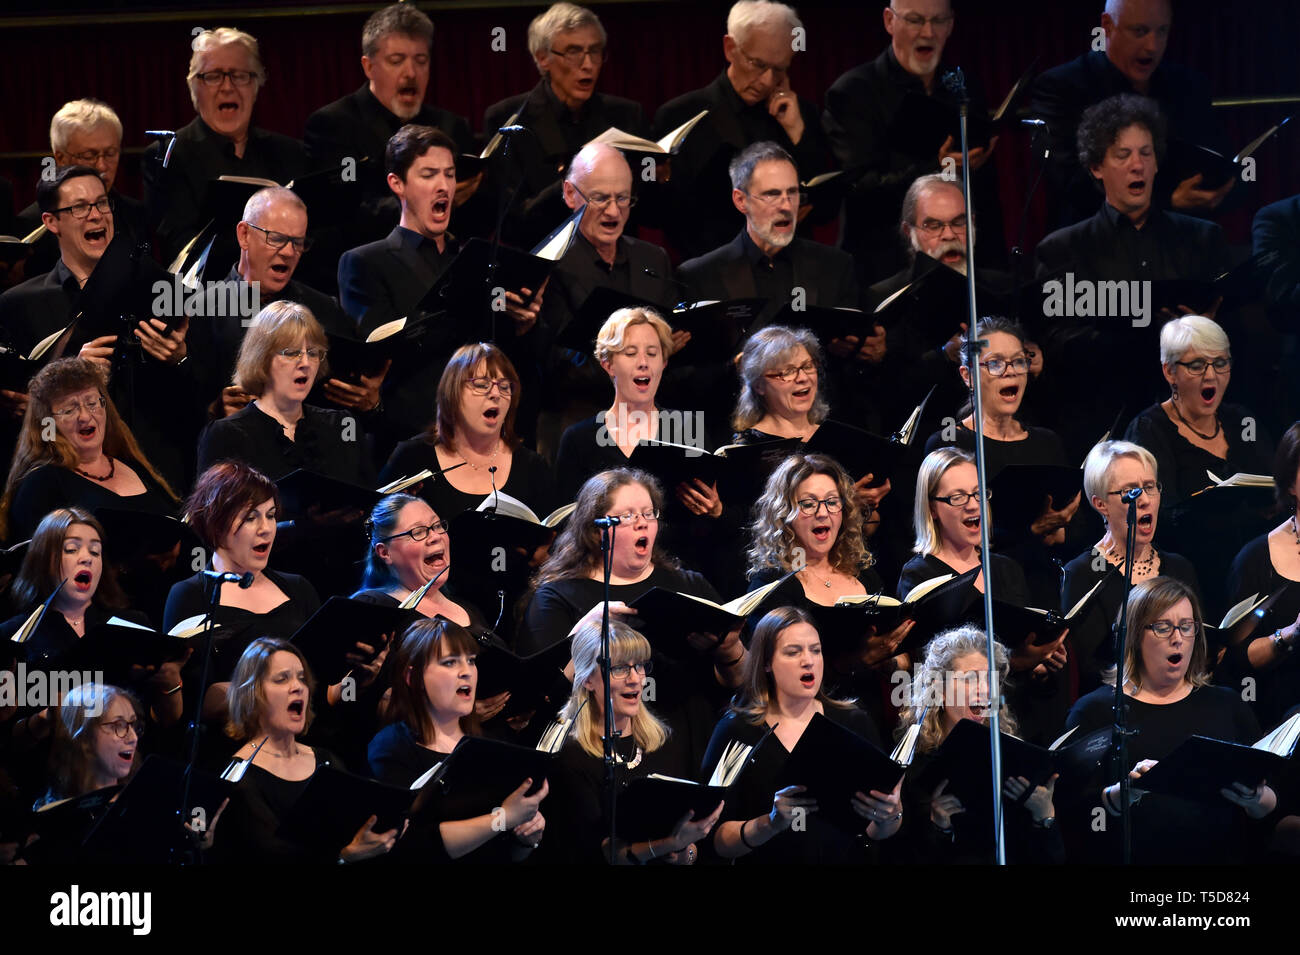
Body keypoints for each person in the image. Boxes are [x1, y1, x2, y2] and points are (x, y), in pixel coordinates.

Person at [337, 125, 542, 450]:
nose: (443, 186)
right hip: (413, 438)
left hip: (488, 437)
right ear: (397, 184)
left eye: (449, 174)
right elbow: (381, 354)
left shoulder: (479, 260)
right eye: (429, 174)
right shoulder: (365, 262)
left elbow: (509, 359)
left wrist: (522, 325)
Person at [0, 167, 197, 486]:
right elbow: (22, 424)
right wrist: (70, 381)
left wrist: (181, 359)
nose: (96, 215)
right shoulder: (19, 305)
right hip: (67, 483)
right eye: (79, 207)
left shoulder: (161, 290)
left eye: (102, 203)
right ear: (51, 222)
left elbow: (197, 402)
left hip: (155, 478)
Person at [1064, 576, 1278, 864]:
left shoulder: (1228, 705)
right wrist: (1121, 794)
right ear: (1135, 635)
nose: (1177, 638)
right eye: (1163, 627)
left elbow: (1272, 808)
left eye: (1186, 627)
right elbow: (1075, 819)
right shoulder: (1095, 711)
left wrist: (1256, 799)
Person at [703, 605, 903, 863]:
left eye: (815, 650)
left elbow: (877, 832)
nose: (808, 660)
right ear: (766, 663)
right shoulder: (736, 730)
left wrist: (890, 814)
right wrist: (771, 823)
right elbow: (715, 840)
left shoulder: (853, 720)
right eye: (793, 652)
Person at [823, 0, 1004, 284]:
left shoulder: (962, 85)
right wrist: (938, 167)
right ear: (889, 21)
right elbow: (861, 190)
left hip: (961, 266)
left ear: (951, 25)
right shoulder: (854, 91)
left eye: (938, 21)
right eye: (915, 20)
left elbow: (985, 196)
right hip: (883, 269)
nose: (928, 32)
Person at [652, 1, 831, 258]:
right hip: (709, 267)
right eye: (758, 65)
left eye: (779, 69)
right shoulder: (681, 115)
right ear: (730, 48)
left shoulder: (803, 114)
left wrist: (796, 131)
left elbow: (826, 208)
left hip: (788, 266)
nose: (768, 80)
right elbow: (666, 213)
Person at [1029, 0, 1229, 228]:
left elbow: (1219, 157)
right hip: (1095, 244)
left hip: (1182, 243)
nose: (1152, 46)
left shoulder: (1188, 85)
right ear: (1108, 25)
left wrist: (1219, 186)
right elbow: (1073, 184)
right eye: (1140, 31)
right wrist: (1166, 201)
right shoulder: (1060, 87)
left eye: (1162, 31)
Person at [543, 618, 723, 864]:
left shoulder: (663, 741)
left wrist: (683, 853)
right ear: (587, 679)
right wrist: (667, 845)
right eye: (619, 668)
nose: (635, 679)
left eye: (639, 666)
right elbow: (591, 854)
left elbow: (692, 850)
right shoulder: (571, 756)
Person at [366, 618, 547, 861]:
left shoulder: (491, 746)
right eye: (450, 662)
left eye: (471, 661)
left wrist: (526, 838)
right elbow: (412, 844)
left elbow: (506, 849)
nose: (466, 672)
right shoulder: (392, 748)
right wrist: (502, 819)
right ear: (413, 677)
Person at [535, 143, 678, 450]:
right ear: (571, 194)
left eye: (623, 198)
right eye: (600, 198)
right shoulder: (547, 264)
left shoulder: (653, 260)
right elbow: (556, 365)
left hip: (653, 429)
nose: (613, 211)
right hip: (580, 427)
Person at [1124, 315, 1272, 610]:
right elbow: (1161, 518)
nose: (1211, 375)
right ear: (1169, 371)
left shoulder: (1242, 420)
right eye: (1196, 365)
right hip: (1192, 580)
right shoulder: (1149, 429)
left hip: (1257, 572)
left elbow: (1273, 480)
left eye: (1220, 363)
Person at [211, 638, 402, 864]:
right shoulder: (238, 776)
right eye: (282, 679)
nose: (298, 687)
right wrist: (344, 858)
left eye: (302, 678)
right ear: (252, 693)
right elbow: (274, 857)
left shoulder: (326, 759)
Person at [304, 4, 477, 252]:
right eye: (396, 61)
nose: (410, 73)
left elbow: (474, 222)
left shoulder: (451, 126)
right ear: (368, 67)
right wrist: (429, 201)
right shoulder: (334, 124)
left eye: (421, 61)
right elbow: (343, 213)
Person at [163, 461, 321, 731]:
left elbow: (320, 682)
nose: (266, 528)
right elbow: (192, 700)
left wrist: (357, 679)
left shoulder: (298, 589)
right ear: (216, 523)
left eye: (271, 515)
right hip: (227, 746)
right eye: (251, 518)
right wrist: (265, 693)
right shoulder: (190, 595)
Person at [194, 187, 375, 422]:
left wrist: (371, 404)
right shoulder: (200, 310)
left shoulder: (325, 310)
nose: (289, 252)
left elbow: (347, 411)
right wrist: (213, 412)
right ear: (244, 235)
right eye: (277, 239)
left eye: (298, 243)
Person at [481, 3, 648, 248]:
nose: (588, 64)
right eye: (574, 52)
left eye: (595, 51)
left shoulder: (626, 116)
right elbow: (510, 222)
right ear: (542, 57)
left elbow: (648, 209)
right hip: (543, 267)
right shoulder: (507, 120)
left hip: (614, 264)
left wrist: (657, 175)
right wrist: (573, 181)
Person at [896, 625, 1064, 863]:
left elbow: (1049, 859)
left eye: (990, 680)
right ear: (940, 690)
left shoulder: (1009, 755)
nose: (985, 690)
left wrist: (1044, 816)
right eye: (970, 680)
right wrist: (939, 829)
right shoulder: (914, 766)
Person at [2, 508, 183, 727]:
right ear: (43, 560)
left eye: (95, 552)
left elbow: (163, 722)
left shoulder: (133, 625)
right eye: (72, 549)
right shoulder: (12, 636)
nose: (86, 558)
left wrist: (171, 683)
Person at [143, 27, 307, 265]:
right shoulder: (170, 155)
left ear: (256, 85)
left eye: (240, 75)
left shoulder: (291, 153)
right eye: (213, 76)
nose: (228, 87)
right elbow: (179, 250)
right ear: (194, 88)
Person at [923, 317, 1078, 548]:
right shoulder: (949, 443)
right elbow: (946, 535)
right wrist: (1032, 532)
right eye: (995, 363)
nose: (1010, 372)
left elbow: (1070, 532)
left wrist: (1063, 528)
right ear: (968, 376)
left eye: (1018, 361)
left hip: (1043, 577)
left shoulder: (1047, 442)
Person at [1062, 440, 1200, 699]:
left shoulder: (1180, 568)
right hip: (1116, 706)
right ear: (1100, 503)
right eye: (1131, 493)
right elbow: (1087, 669)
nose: (1146, 500)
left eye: (1150, 487)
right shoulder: (1081, 574)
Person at [0, 358, 178, 545]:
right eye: (69, 410)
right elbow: (39, 564)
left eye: (92, 403)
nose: (85, 416)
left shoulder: (133, 466)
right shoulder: (41, 484)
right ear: (48, 425)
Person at [197, 300, 374, 486]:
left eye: (313, 353)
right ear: (261, 358)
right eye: (291, 353)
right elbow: (213, 513)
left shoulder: (343, 424)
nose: (305, 363)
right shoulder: (225, 435)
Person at [553, 306, 713, 509]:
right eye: (631, 353)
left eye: (653, 353)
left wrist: (715, 510)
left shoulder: (689, 428)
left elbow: (709, 517)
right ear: (608, 364)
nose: (644, 362)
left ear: (664, 363)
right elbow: (567, 524)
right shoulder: (578, 439)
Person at [377, 343, 554, 521]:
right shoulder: (412, 457)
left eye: (504, 387)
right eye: (482, 385)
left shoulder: (533, 467)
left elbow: (554, 540)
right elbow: (376, 527)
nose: (495, 394)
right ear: (453, 392)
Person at [10, 100, 148, 278]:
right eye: (89, 155)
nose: (102, 165)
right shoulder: (31, 226)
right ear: (60, 158)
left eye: (110, 153)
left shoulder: (136, 215)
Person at [1223, 423, 1300, 727]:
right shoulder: (1254, 559)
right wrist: (1290, 635)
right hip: (1279, 716)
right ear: (1290, 481)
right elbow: (1238, 658)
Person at [20, 683, 144, 863]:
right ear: (83, 738)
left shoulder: (144, 804)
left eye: (133, 725)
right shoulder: (55, 822)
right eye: (119, 725)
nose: (133, 738)